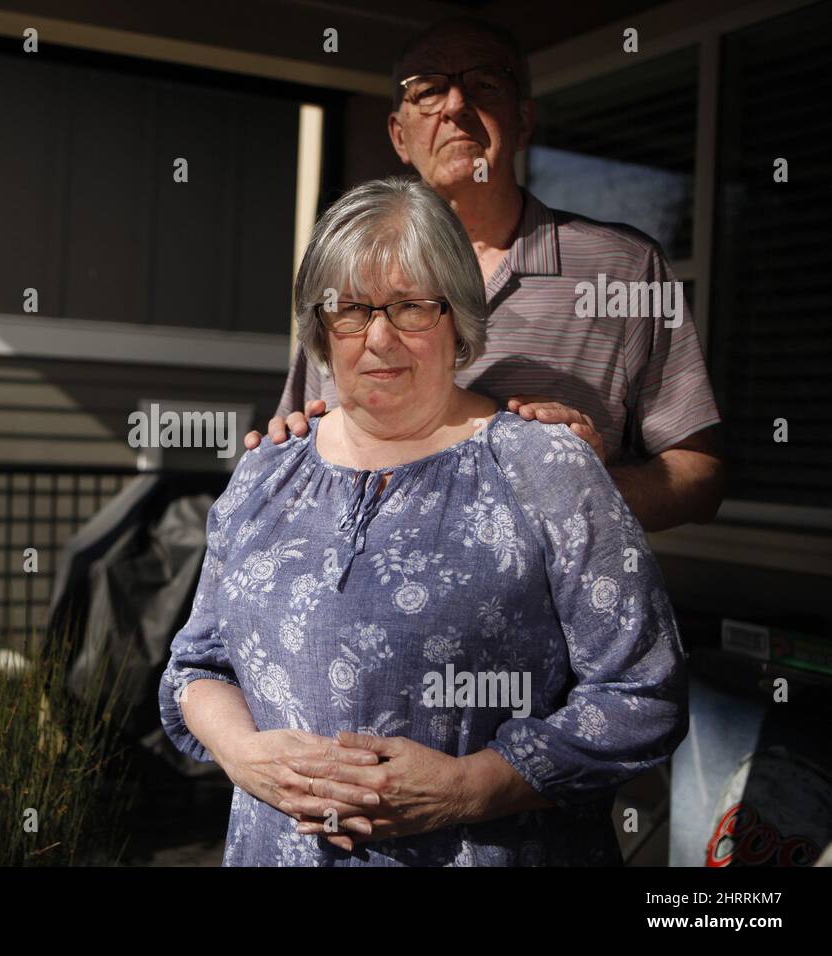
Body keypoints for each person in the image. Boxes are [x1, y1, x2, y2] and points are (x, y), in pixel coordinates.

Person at [158, 176, 688, 866]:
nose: (379, 338)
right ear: (320, 326)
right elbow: (196, 667)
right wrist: (243, 755)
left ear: (458, 318)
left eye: (411, 308)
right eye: (350, 309)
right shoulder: (266, 472)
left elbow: (643, 694)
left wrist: (473, 787)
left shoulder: (546, 467)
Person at [249, 16, 723, 533]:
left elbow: (700, 474)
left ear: (524, 120)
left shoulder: (624, 270)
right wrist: (289, 445)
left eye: (485, 84)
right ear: (399, 136)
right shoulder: (351, 277)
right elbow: (303, 432)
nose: (456, 106)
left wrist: (583, 486)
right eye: (428, 90)